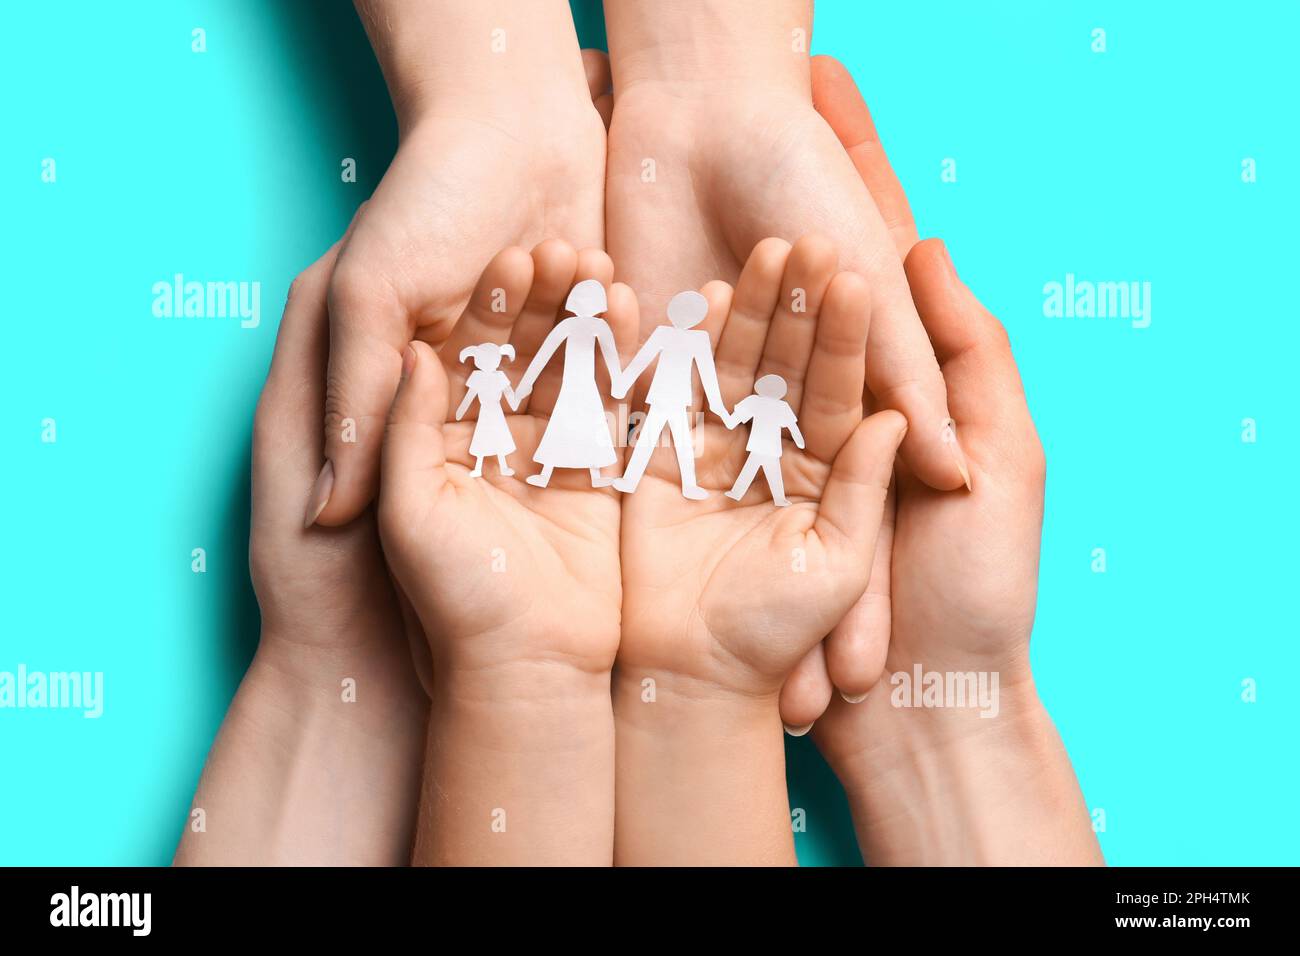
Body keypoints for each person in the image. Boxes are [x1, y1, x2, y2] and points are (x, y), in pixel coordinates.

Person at [612, 291, 732, 499]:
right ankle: (632, 480)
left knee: (676, 441)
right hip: (661, 396)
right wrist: (623, 383)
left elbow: (707, 372)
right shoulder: (664, 333)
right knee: (652, 438)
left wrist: (717, 403)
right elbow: (642, 359)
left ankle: (687, 485)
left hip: (675, 397)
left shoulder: (697, 338)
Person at [513, 279, 623, 488]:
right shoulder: (571, 325)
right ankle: (546, 474)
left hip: (585, 383)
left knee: (588, 422)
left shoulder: (597, 326)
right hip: (572, 384)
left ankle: (592, 474)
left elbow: (612, 356)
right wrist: (526, 383)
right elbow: (543, 353)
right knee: (567, 421)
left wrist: (618, 381)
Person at [725, 374, 804, 506]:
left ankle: (738, 493)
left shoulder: (755, 401)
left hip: (759, 445)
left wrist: (725, 416)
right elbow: (792, 427)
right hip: (770, 447)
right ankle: (778, 499)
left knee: (754, 471)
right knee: (769, 472)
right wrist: (799, 440)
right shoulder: (781, 406)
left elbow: (735, 419)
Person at [455, 343, 519, 478]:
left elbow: (508, 393)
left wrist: (515, 401)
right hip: (485, 412)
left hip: (497, 411)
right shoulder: (477, 377)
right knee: (482, 437)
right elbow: (470, 395)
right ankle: (478, 468)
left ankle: (504, 467)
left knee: (499, 437)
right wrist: (461, 410)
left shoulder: (499, 376)